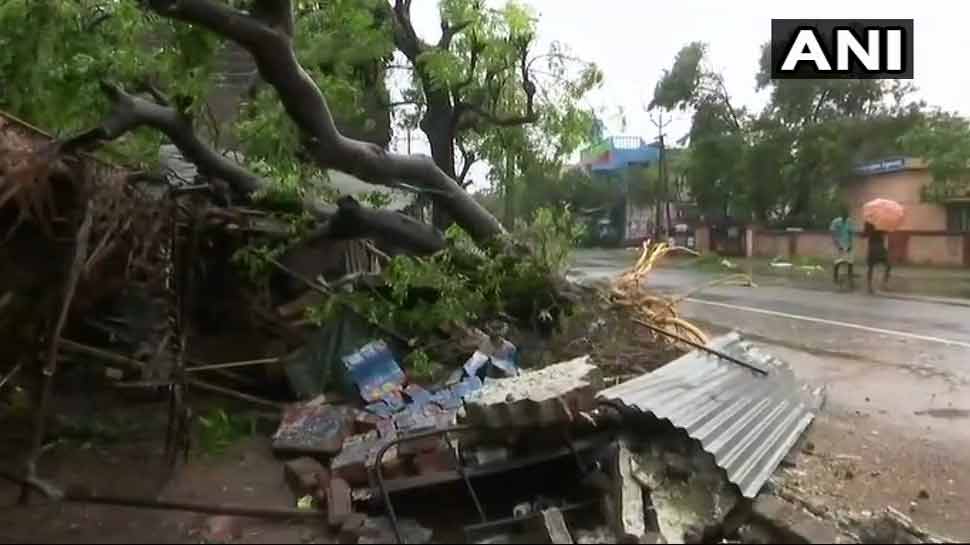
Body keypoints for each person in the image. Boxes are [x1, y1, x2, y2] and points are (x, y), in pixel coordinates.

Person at [829, 210, 855, 289]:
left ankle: (850, 280)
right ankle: (836, 278)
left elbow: (851, 234)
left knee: (850, 262)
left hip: (847, 244)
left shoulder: (849, 222)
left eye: (846, 215)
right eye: (844, 215)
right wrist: (837, 245)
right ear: (841, 215)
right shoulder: (836, 222)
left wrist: (850, 245)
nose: (845, 216)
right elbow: (833, 234)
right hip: (838, 244)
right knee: (837, 262)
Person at [864, 221, 891, 294]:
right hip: (876, 247)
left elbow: (865, 235)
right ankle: (872, 286)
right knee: (872, 267)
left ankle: (881, 284)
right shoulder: (869, 223)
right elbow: (865, 234)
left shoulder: (880, 223)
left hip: (877, 247)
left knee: (886, 265)